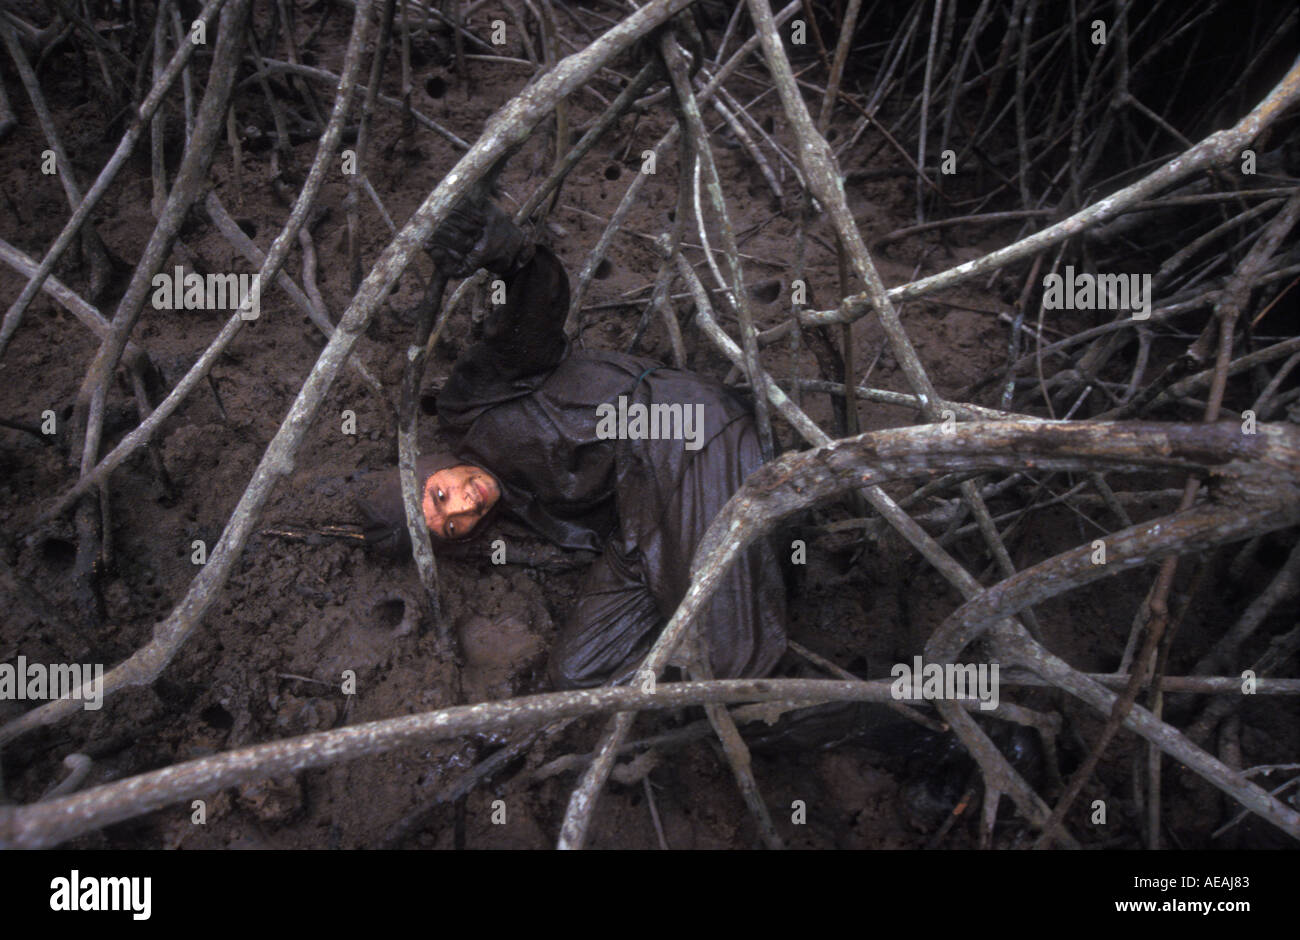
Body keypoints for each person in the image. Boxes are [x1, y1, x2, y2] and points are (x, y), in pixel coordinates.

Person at [357, 195, 787, 689]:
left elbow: (529, 328)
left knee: (732, 661)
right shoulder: (518, 515)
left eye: (440, 495)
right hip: (642, 524)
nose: (464, 506)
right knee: (577, 673)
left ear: (429, 466)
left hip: (676, 429)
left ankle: (837, 706)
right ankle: (713, 641)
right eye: (454, 526)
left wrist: (509, 255)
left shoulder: (471, 409)